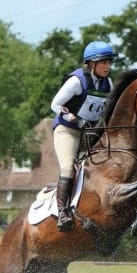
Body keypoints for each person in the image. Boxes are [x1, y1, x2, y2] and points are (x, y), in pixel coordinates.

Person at [49, 40, 116, 230]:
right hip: (67, 131)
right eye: (103, 62)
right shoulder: (77, 81)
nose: (107, 66)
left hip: (89, 133)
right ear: (91, 64)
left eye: (109, 62)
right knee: (69, 168)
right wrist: (73, 118)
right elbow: (54, 104)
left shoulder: (107, 83)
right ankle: (62, 212)